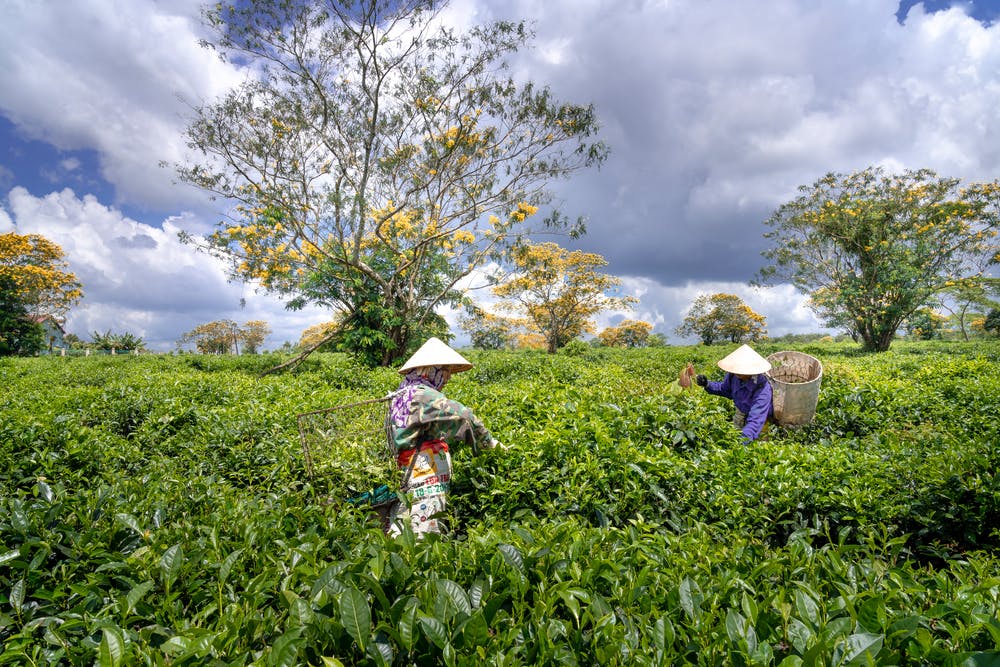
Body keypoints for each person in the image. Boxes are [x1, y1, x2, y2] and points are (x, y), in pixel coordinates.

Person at [386, 337, 501, 537]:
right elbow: (463, 416)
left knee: (406, 523)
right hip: (424, 474)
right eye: (445, 371)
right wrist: (489, 444)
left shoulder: (403, 391)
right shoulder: (423, 395)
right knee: (425, 534)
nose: (447, 378)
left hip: (407, 469)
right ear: (432, 370)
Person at [695, 344, 773, 442]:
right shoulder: (733, 376)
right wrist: (707, 384)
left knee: (757, 448)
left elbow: (756, 420)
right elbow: (725, 390)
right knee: (735, 439)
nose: (737, 372)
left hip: (759, 423)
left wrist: (741, 442)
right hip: (740, 415)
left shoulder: (763, 389)